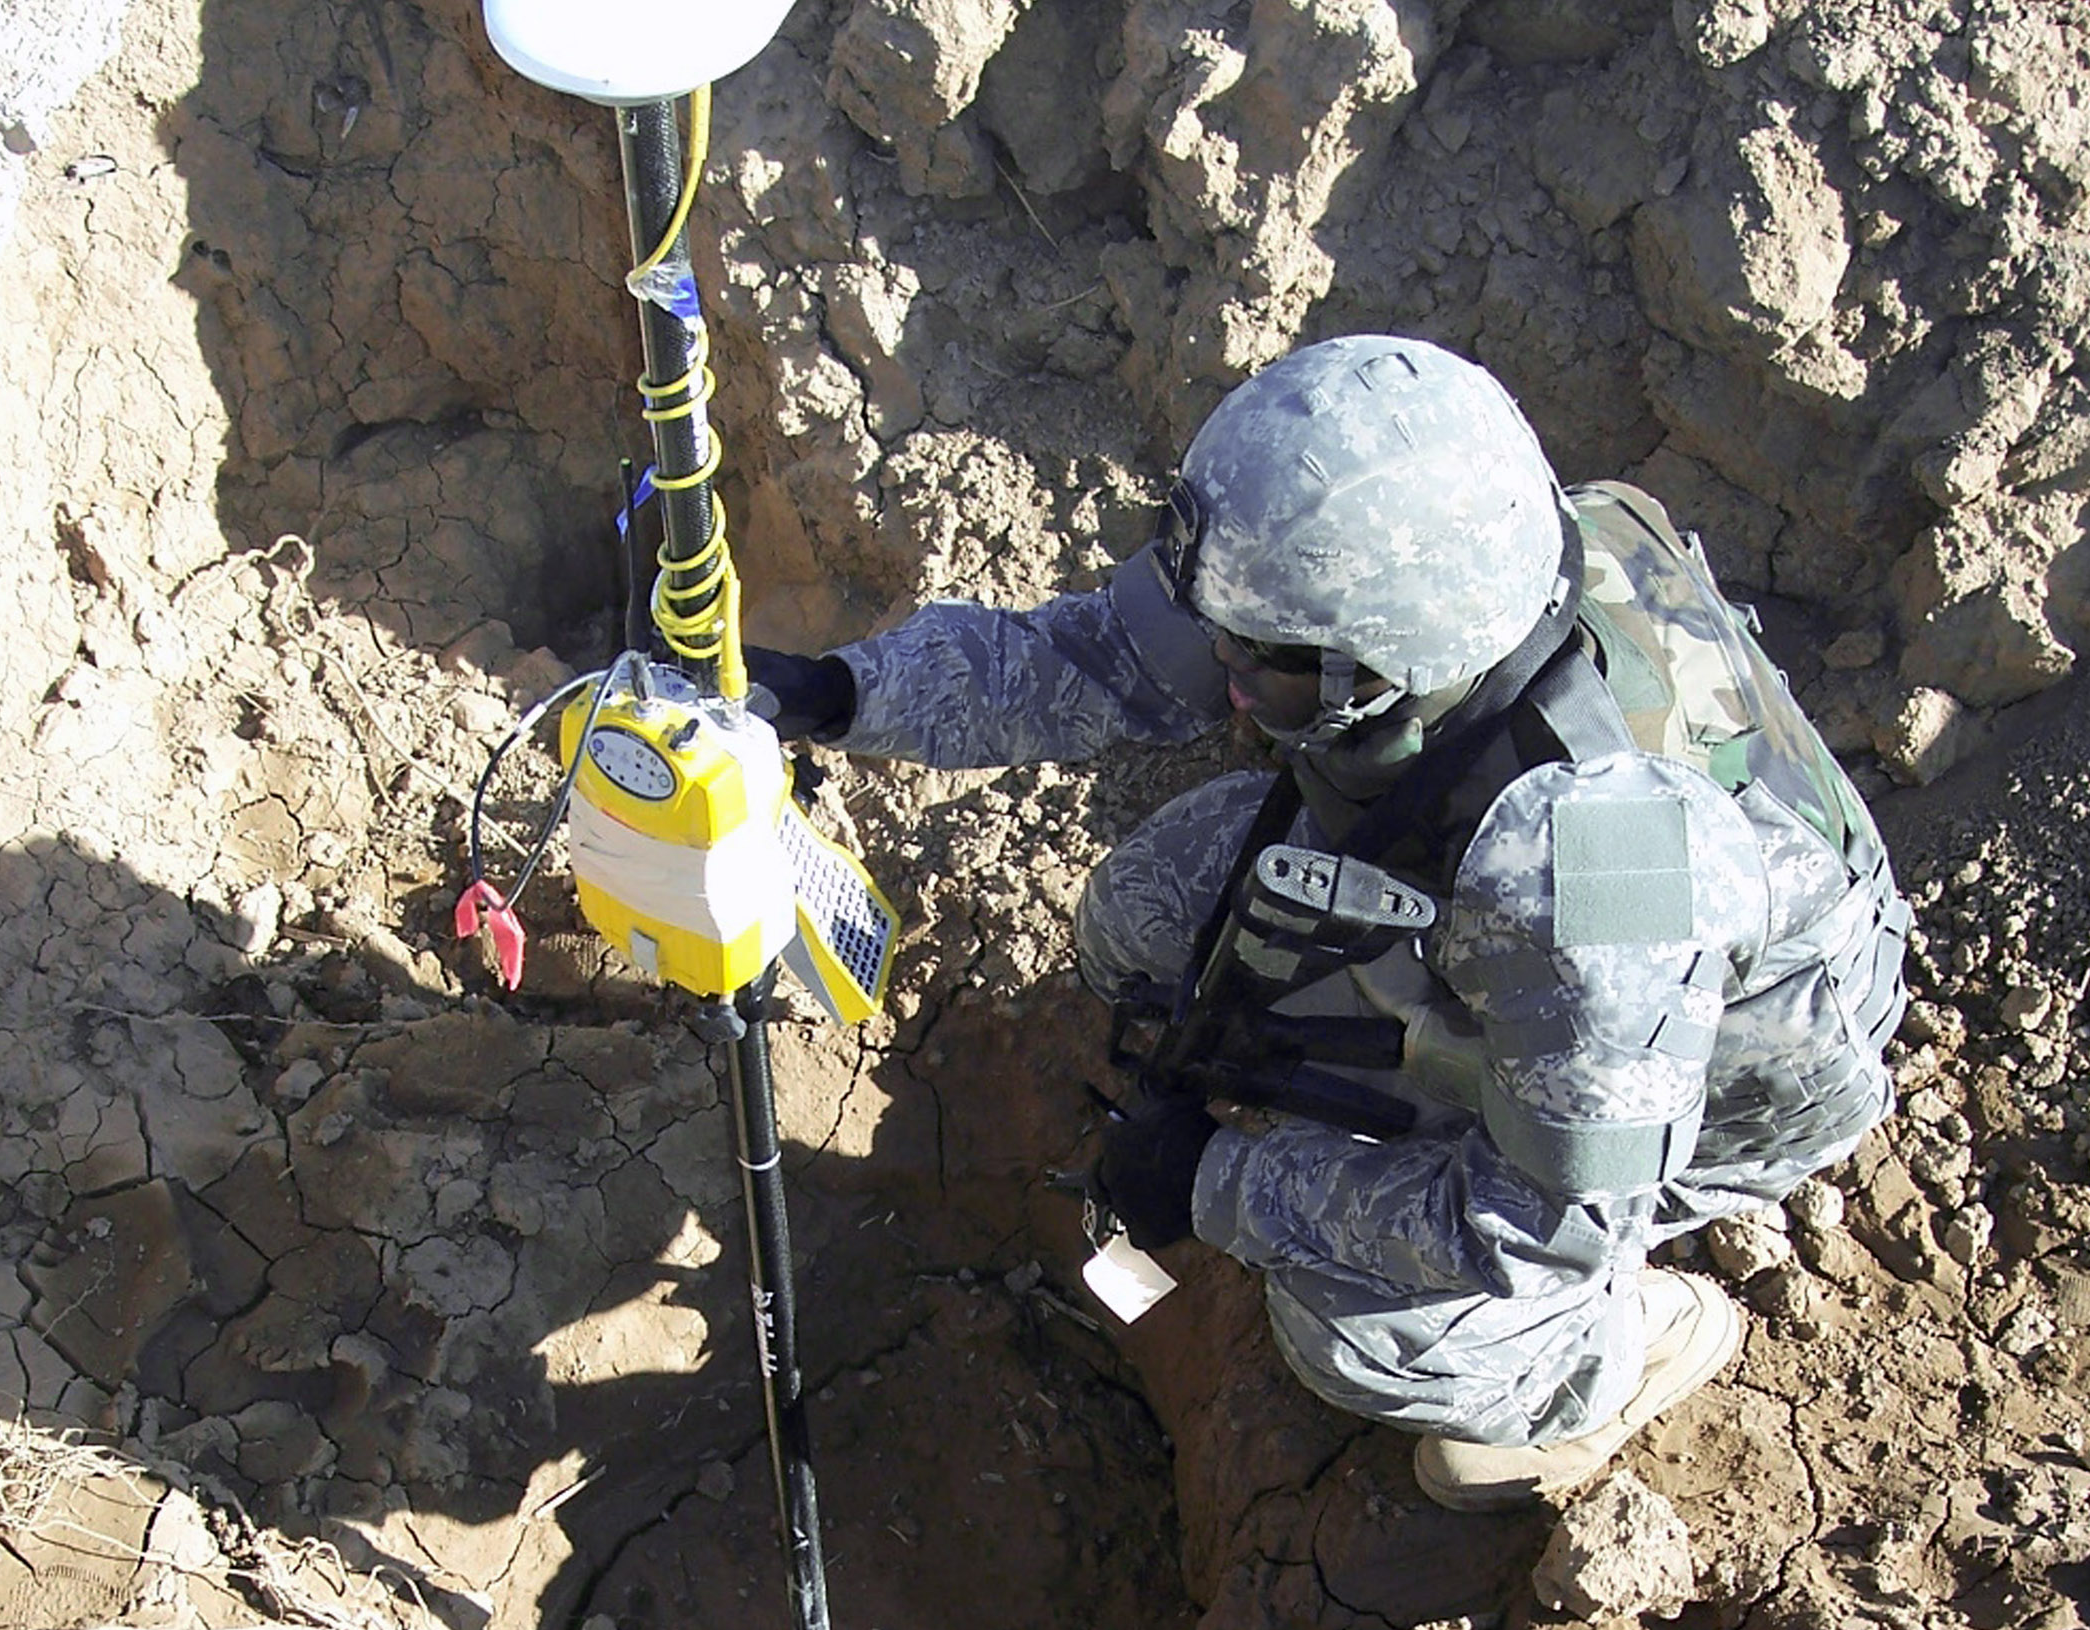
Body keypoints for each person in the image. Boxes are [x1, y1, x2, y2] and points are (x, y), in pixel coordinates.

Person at [745, 334, 1911, 1511]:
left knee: (1360, 1336)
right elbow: (1094, 660)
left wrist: (1217, 1183)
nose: (1232, 685)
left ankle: (1618, 1353)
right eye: (1227, 638)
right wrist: (829, 696)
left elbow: (1536, 1224)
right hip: (1510, 909)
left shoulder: (1597, 875)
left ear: (1396, 667)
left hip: (1717, 1084)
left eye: (1276, 672)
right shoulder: (1433, 549)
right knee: (1151, 910)